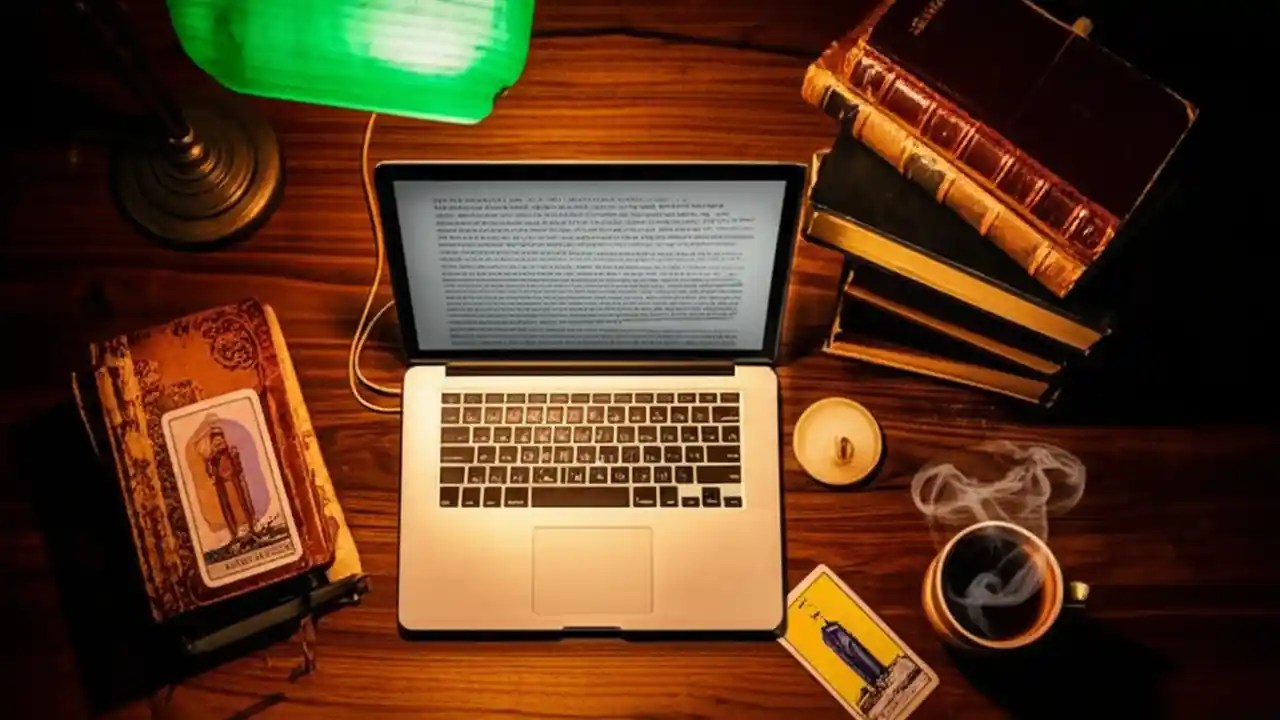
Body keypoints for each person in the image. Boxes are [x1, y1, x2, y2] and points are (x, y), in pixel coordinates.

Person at [202, 424, 257, 540]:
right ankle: (235, 533)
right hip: (223, 486)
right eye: (214, 439)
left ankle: (252, 527)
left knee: (243, 502)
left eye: (219, 437)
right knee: (228, 507)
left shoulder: (231, 452)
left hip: (235, 482)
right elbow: (210, 472)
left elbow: (239, 467)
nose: (218, 441)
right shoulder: (213, 459)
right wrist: (208, 465)